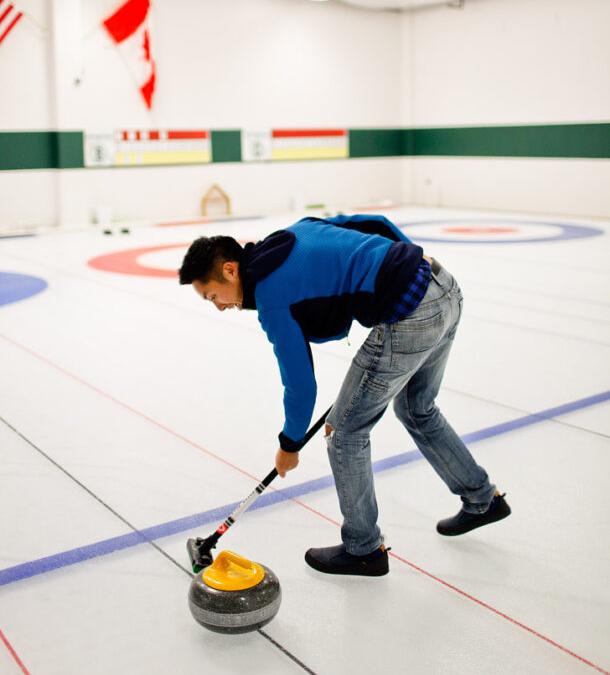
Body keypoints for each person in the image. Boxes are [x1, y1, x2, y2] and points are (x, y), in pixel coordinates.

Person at [179, 214, 510, 577]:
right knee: (417, 408)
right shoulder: (289, 234)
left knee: (344, 433)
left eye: (213, 296)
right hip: (441, 286)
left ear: (229, 271)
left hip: (411, 313)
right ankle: (481, 499)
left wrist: (289, 445)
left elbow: (300, 384)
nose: (220, 307)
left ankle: (363, 548)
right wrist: (412, 256)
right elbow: (373, 222)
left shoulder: (270, 294)